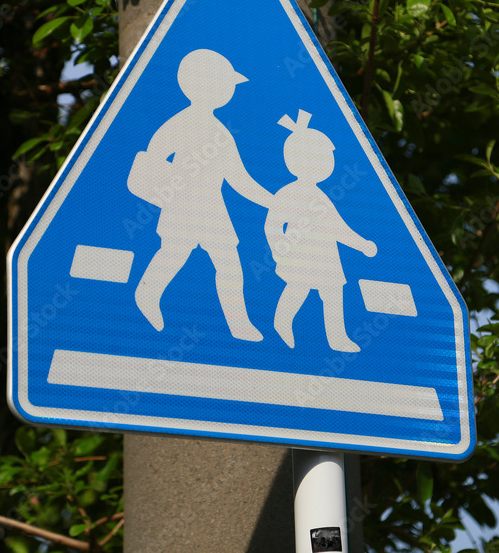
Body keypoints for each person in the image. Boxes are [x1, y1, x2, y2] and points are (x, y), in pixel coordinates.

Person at [128, 49, 272, 340]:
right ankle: (146, 295)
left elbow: (239, 179)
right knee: (175, 254)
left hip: (212, 208)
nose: (229, 91)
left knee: (228, 262)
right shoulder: (182, 122)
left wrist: (273, 202)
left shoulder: (221, 133)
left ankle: (239, 323)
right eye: (226, 85)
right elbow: (154, 153)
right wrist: (163, 186)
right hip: (182, 203)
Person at [265, 110, 376, 352]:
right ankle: (281, 322)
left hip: (326, 257)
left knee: (334, 292)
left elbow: (338, 228)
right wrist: (278, 248)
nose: (327, 163)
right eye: (321, 157)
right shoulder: (288, 193)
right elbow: (272, 224)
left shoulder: (323, 198)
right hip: (300, 254)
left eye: (328, 158)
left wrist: (362, 244)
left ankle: (337, 338)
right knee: (298, 288)